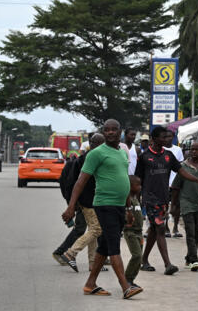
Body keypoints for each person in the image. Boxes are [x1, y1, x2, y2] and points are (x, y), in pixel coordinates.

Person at [61, 119, 142, 299]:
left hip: (119, 205)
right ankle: (125, 286)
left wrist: (128, 207)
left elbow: (124, 180)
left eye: (114, 129)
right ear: (103, 133)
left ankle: (90, 284)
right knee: (114, 245)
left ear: (120, 132)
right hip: (105, 204)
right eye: (107, 130)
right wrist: (71, 207)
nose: (111, 132)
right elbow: (80, 181)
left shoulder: (122, 152)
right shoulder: (96, 154)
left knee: (104, 245)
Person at [133, 125, 198, 276]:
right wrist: (135, 199)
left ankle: (144, 260)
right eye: (163, 137)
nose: (167, 139)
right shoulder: (144, 157)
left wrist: (197, 180)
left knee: (154, 230)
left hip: (163, 198)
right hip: (150, 199)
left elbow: (181, 172)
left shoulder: (168, 155)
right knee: (160, 228)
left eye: (167, 137)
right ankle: (168, 264)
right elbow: (137, 179)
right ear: (154, 139)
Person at [62, 135, 108, 271]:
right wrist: (71, 204)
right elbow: (76, 181)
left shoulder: (84, 157)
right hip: (90, 200)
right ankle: (71, 253)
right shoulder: (92, 158)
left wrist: (72, 202)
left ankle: (93, 263)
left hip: (86, 199)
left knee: (92, 229)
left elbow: (70, 181)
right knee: (97, 229)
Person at [170, 141, 198, 271]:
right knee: (190, 231)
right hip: (186, 202)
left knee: (197, 231)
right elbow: (175, 187)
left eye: (196, 150)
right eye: (192, 149)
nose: (193, 152)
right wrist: (174, 205)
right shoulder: (183, 167)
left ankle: (189, 257)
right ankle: (194, 260)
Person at [123, 178, 144, 286]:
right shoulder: (128, 200)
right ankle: (127, 279)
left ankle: (131, 279)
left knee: (139, 258)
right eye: (138, 185)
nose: (140, 187)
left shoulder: (136, 198)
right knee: (136, 255)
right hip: (130, 232)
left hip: (139, 232)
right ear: (130, 186)